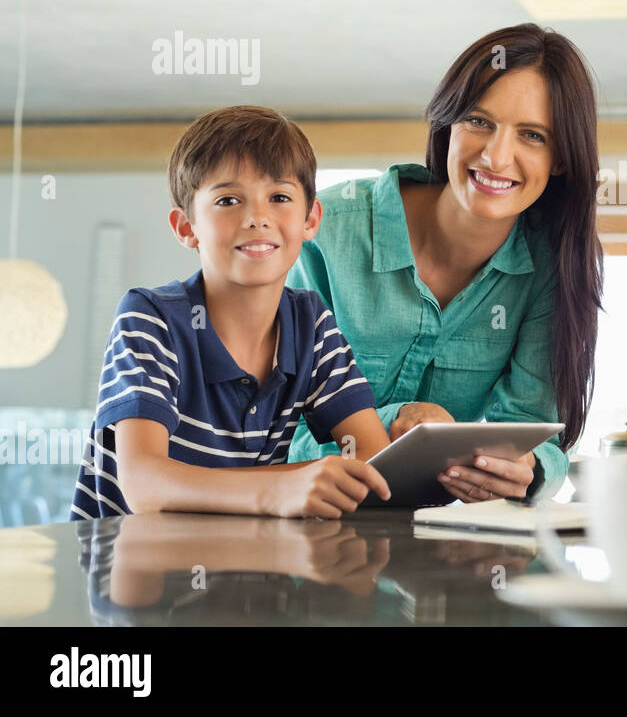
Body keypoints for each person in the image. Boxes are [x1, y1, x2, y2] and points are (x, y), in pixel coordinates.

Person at [286, 23, 603, 503]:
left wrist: (527, 471)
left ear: (561, 158)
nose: (497, 156)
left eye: (533, 135)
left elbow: (533, 434)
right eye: (479, 121)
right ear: (447, 123)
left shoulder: (550, 267)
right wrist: (395, 421)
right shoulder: (325, 235)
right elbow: (276, 436)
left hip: (430, 545)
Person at [70, 106, 392, 521]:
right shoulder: (150, 318)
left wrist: (296, 484)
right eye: (228, 200)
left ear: (311, 219)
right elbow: (144, 485)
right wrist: (281, 488)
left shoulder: (310, 323)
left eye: (279, 197)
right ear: (187, 227)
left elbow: (373, 460)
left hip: (245, 567)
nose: (257, 218)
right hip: (135, 569)